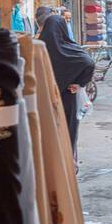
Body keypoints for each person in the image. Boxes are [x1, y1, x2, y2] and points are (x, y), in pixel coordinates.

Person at [35, 10, 96, 158]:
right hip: (68, 98)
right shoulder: (71, 49)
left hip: (44, 98)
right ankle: (68, 165)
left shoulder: (38, 49)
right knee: (67, 132)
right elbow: (89, 63)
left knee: (47, 134)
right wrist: (79, 83)